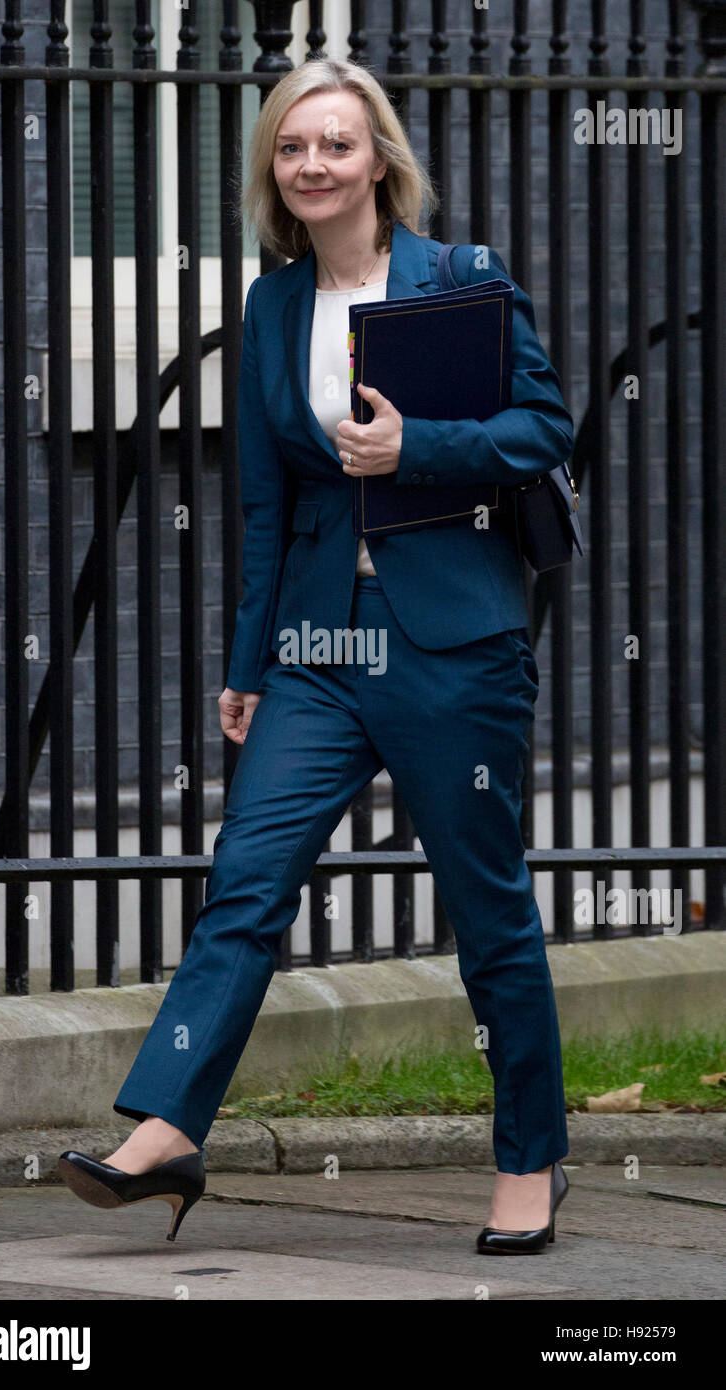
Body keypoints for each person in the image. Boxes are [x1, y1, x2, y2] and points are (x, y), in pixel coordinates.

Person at [58, 57, 573, 1254]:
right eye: (292, 148)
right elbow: (261, 501)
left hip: (452, 643)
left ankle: (531, 1159)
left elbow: (541, 425)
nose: (313, 165)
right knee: (246, 878)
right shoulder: (273, 304)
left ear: (380, 160)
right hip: (313, 649)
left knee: (485, 909)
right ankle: (168, 1127)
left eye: (335, 144)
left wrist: (418, 449)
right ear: (272, 172)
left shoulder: (461, 278)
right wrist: (247, 660)